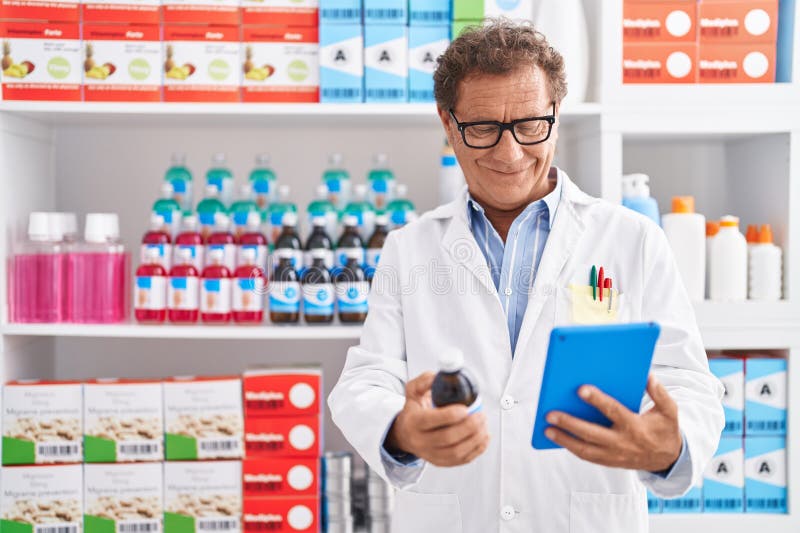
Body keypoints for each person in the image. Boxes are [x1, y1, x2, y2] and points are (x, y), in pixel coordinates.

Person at [328, 20, 724, 533]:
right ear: (449, 125)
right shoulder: (409, 249)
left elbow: (689, 381)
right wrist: (401, 430)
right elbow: (367, 378)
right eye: (484, 128)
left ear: (556, 118)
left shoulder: (632, 240)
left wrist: (670, 443)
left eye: (530, 125)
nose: (510, 153)